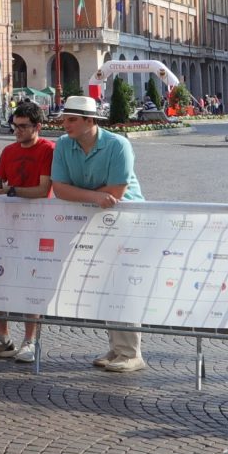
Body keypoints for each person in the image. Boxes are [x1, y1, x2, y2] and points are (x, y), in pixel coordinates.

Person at [49, 95, 148, 372]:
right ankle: (117, 349)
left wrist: (82, 196)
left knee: (123, 284)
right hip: (92, 218)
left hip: (126, 221)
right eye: (64, 119)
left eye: (71, 119)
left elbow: (117, 192)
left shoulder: (118, 145)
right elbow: (59, 189)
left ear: (89, 121)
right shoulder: (63, 146)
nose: (64, 124)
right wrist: (94, 197)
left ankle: (132, 353)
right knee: (103, 284)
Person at [0, 101, 56, 360]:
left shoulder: (49, 150)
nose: (17, 131)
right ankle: (3, 339)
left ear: (37, 126)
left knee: (32, 282)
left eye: (22, 127)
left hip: (37, 223)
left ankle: (30, 341)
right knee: (0, 279)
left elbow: (43, 190)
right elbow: (2, 183)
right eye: (14, 126)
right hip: (8, 222)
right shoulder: (8, 151)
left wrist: (9, 190)